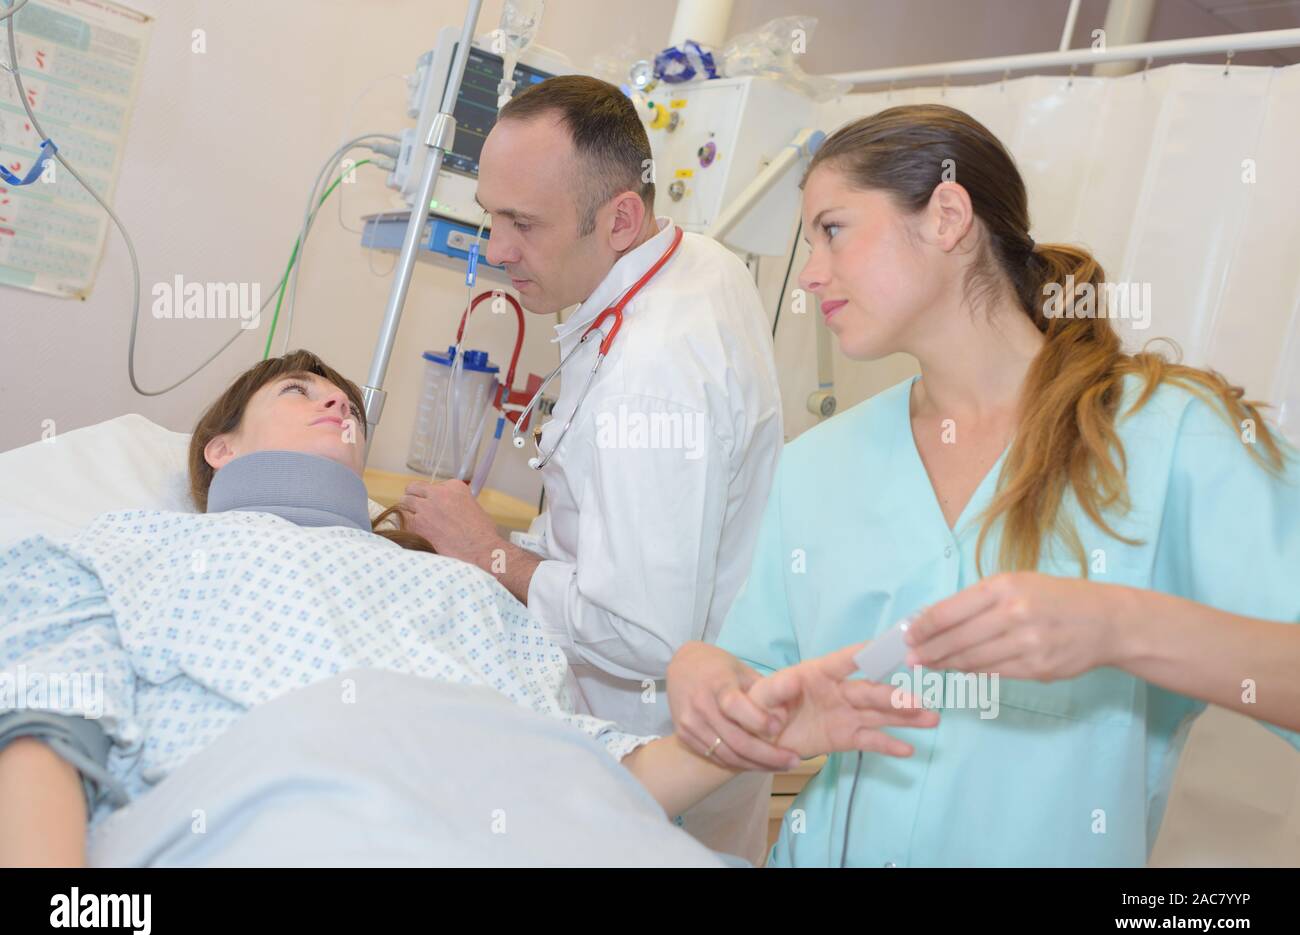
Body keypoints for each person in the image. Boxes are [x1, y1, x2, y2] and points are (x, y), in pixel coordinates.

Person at [666, 104, 1300, 867]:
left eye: (832, 229)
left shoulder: (1171, 436)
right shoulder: (819, 464)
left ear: (947, 215)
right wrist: (704, 674)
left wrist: (1120, 625)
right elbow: (760, 688)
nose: (809, 273)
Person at [0, 351, 934, 866]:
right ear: (218, 449)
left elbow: (587, 765)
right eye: (300, 391)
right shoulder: (128, 544)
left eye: (346, 399)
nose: (336, 403)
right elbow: (44, 728)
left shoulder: (455, 585)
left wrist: (739, 729)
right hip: (285, 809)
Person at [397, 75, 784, 860]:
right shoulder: (697, 261)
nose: (496, 250)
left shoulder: (655, 369)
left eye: (523, 224)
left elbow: (644, 630)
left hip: (642, 754)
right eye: (490, 216)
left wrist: (490, 554)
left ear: (619, 218)